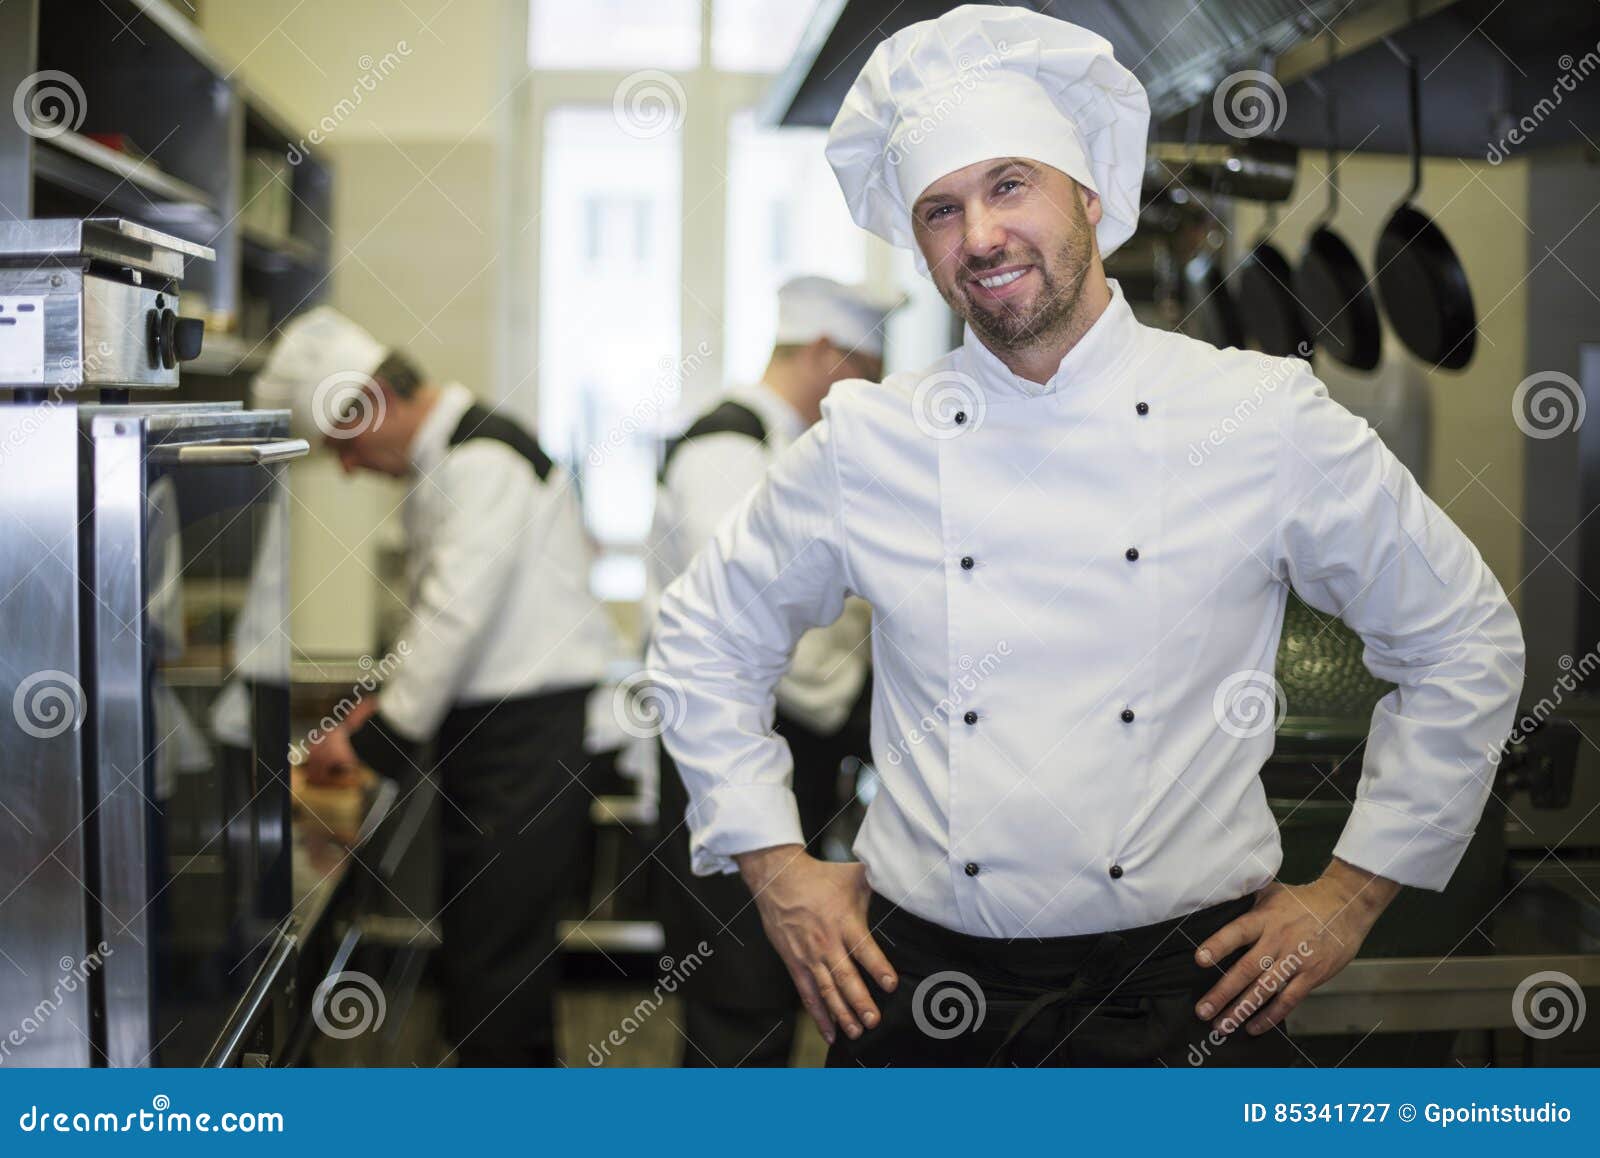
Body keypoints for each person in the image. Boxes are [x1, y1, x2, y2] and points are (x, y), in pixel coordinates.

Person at [647, 5, 1524, 1067]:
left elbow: (1462, 638)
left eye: (1010, 184)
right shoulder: (871, 439)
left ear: (1091, 196)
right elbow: (702, 638)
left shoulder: (1258, 415)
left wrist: (1353, 891)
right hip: (922, 1002)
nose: (979, 237)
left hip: (1183, 999)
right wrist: (774, 866)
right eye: (940, 209)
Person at [257, 307, 623, 1066]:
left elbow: (455, 620)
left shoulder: (481, 459)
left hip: (528, 741)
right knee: (489, 956)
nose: (349, 468)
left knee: (499, 967)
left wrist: (370, 747)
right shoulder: (456, 454)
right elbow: (437, 618)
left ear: (371, 402)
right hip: (503, 734)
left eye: (344, 446)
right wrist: (374, 710)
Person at [647, 276, 900, 1066]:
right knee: (739, 1003)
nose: (870, 394)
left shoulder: (783, 442)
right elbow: (735, 629)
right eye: (866, 371)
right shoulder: (729, 446)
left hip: (790, 755)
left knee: (770, 993)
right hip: (731, 760)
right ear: (823, 352)